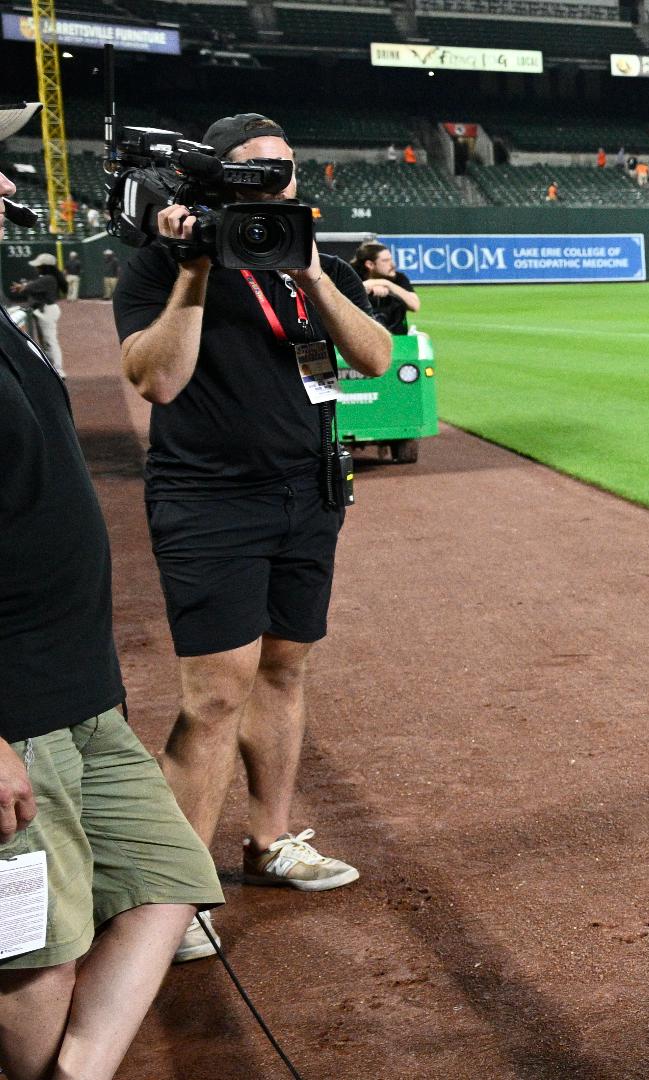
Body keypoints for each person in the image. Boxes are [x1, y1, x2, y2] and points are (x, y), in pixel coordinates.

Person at [113, 113, 392, 964]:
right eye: (257, 170)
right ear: (218, 179)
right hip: (211, 499)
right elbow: (157, 379)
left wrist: (311, 270)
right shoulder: (162, 265)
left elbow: (377, 357)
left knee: (284, 666)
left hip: (308, 492)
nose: (275, 183)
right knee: (215, 694)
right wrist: (197, 266)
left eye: (287, 168)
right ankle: (180, 890)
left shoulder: (315, 262)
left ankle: (270, 844)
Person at [0, 165, 225, 1080]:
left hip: (82, 698)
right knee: (33, 954)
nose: (9, 178)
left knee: (172, 878)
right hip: (13, 707)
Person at [8, 253, 64, 375]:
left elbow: (30, 287)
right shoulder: (46, 277)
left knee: (50, 341)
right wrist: (23, 286)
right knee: (45, 341)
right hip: (44, 310)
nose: (37, 267)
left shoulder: (48, 278)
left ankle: (58, 370)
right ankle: (51, 368)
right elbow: (31, 286)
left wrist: (22, 287)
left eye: (40, 265)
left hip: (47, 310)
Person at [351, 241, 420, 335]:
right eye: (385, 261)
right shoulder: (352, 276)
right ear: (370, 264)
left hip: (397, 335)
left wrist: (386, 284)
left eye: (391, 259)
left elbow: (415, 305)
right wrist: (367, 288)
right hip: (360, 334)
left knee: (423, 338)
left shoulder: (399, 278)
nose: (392, 265)